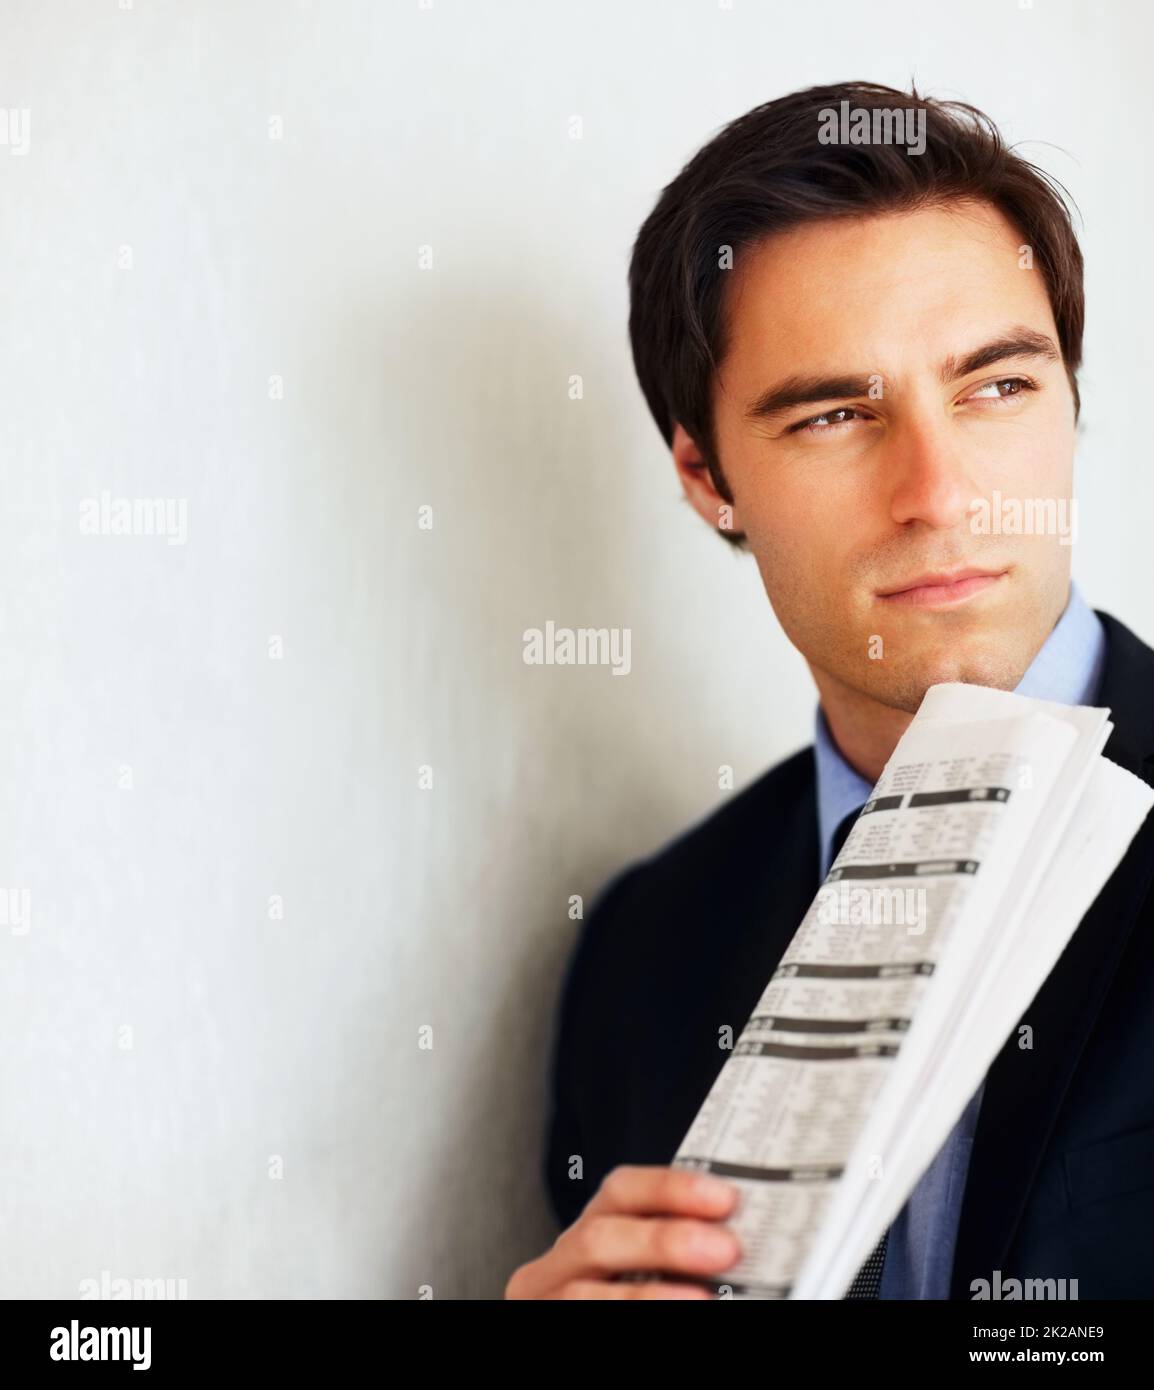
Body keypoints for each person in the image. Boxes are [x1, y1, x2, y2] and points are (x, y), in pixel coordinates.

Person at [505, 82, 1154, 1300]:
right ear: (707, 476)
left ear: (1069, 394)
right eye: (835, 413)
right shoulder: (636, 957)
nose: (939, 492)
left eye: (996, 386)